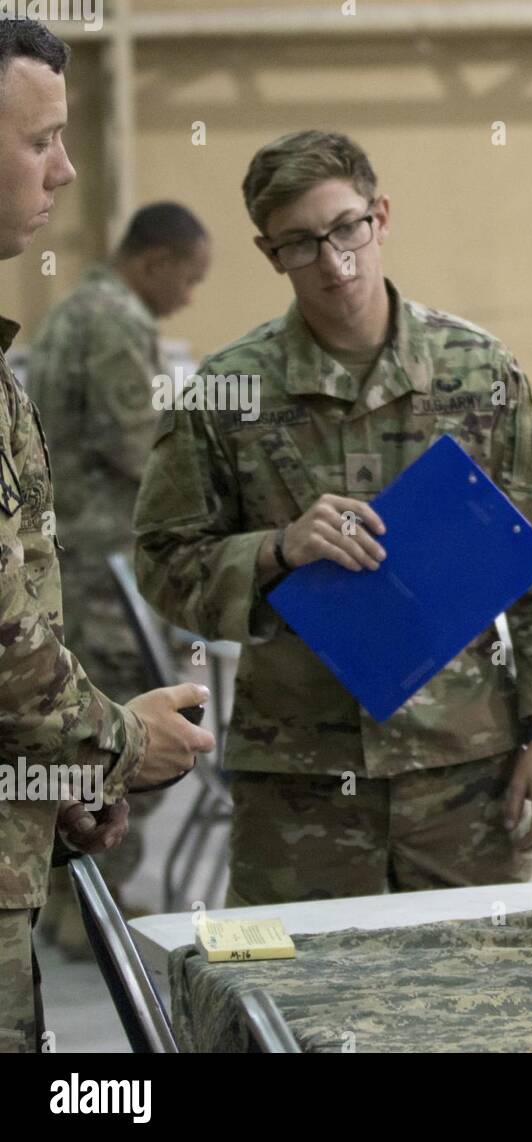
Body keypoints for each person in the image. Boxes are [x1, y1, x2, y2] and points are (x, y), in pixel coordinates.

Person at [135, 130, 532, 907]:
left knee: (479, 1005)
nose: (334, 261)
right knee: (295, 1007)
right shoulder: (227, 392)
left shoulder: (480, 373)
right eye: (301, 243)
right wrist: (276, 550)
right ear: (268, 252)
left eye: (347, 227)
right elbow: (163, 560)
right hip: (299, 784)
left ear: (380, 216)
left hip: (465, 771)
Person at [0, 19, 212, 1052]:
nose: (66, 169)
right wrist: (119, 746)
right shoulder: (110, 322)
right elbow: (6, 653)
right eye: (40, 139)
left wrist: (55, 787)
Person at [27, 202, 210, 951]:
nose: (189, 296)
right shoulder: (111, 320)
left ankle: (84, 895)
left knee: (83, 739)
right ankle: (80, 904)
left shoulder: (79, 309)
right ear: (156, 259)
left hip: (75, 561)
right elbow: (141, 446)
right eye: (190, 278)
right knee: (131, 736)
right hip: (102, 571)